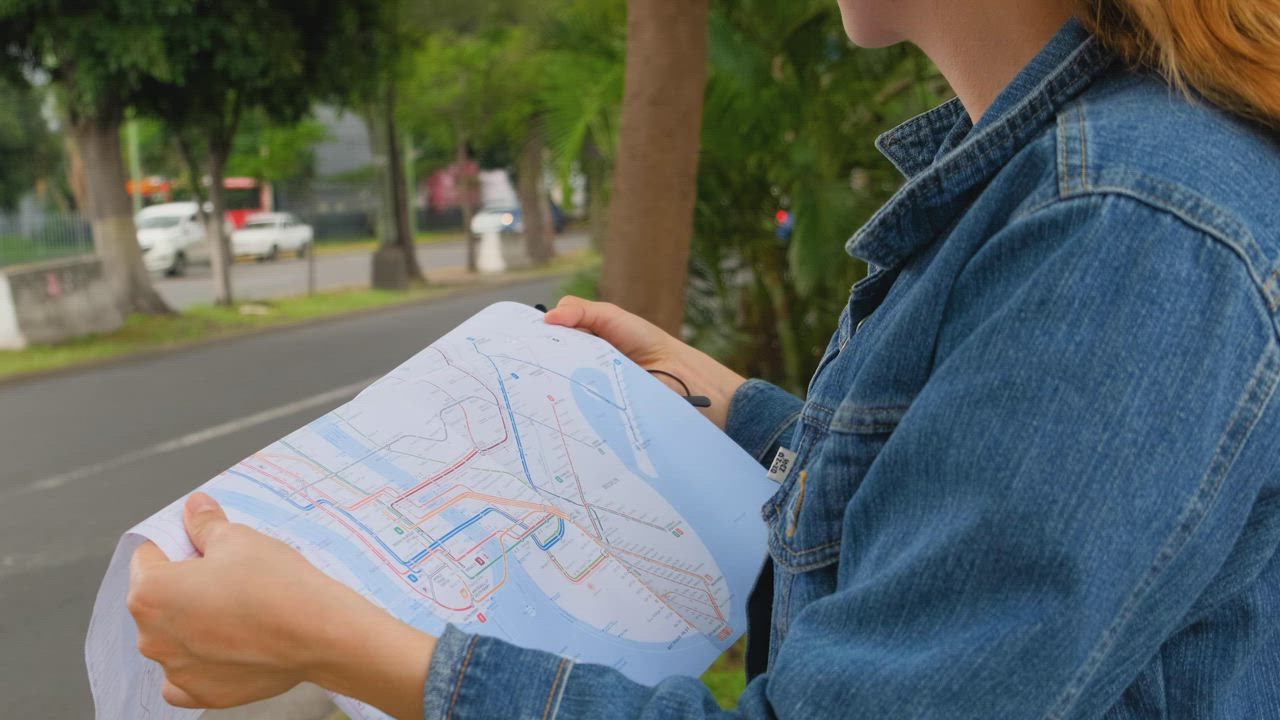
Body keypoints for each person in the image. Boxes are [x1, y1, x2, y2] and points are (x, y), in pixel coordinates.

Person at [126, 0, 1280, 717]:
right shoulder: (1094, 185)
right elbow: (977, 527)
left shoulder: (1125, 226)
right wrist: (737, 414)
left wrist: (336, 639)